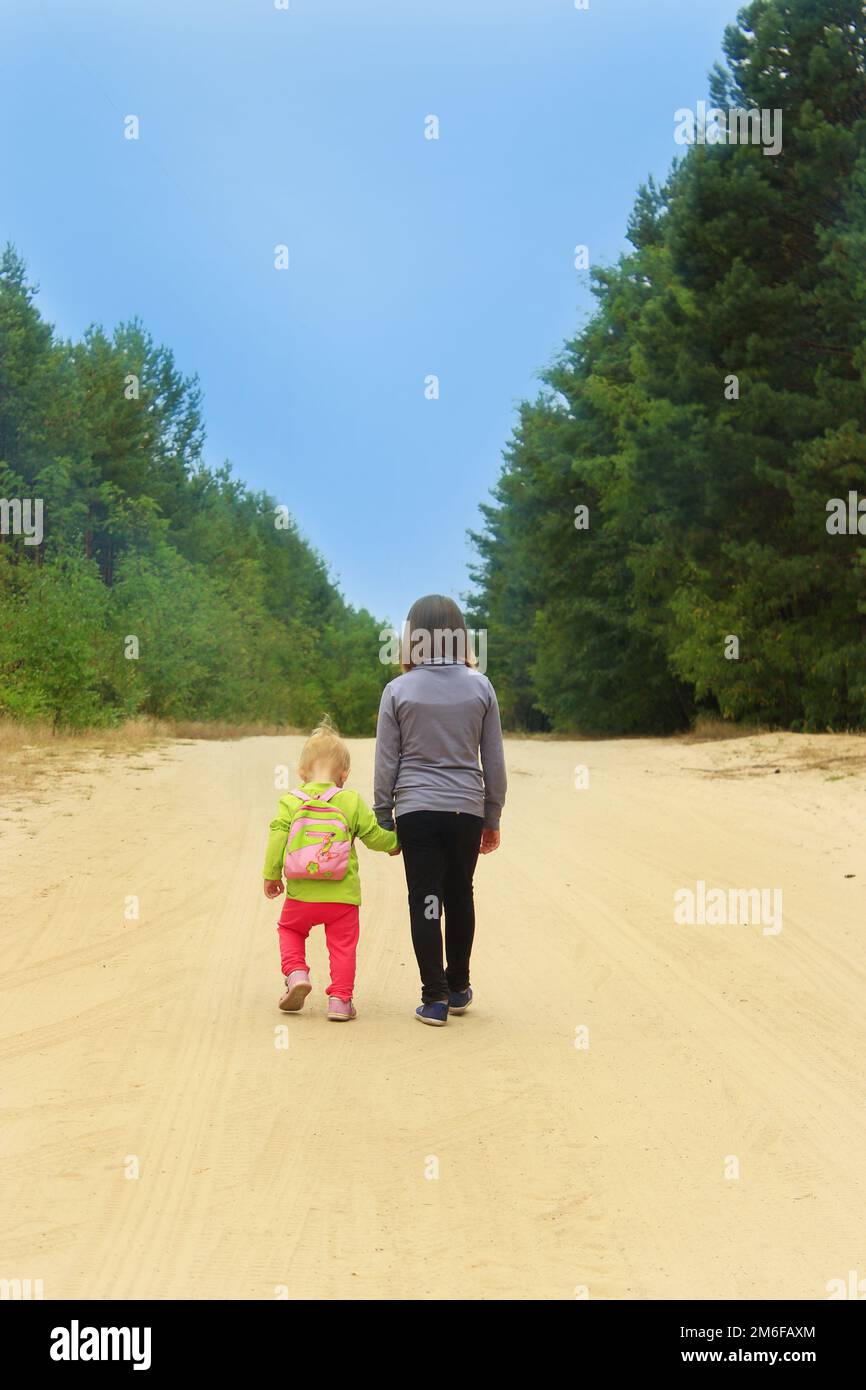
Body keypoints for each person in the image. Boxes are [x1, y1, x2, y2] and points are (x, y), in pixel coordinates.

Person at [374, 595, 506, 1026]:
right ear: (458, 634)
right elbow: (494, 761)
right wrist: (492, 815)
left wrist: (383, 815)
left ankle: (433, 998)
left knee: (426, 898)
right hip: (465, 809)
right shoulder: (480, 687)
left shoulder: (397, 691)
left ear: (412, 636)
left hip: (416, 809)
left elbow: (386, 761)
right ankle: (459, 987)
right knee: (459, 893)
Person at [263, 718, 399, 1021]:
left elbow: (277, 840)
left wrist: (271, 875)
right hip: (342, 896)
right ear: (344, 774)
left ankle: (297, 972)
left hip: (301, 894)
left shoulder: (290, 802)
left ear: (301, 772)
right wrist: (395, 842)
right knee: (343, 947)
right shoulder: (349, 800)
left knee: (289, 929)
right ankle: (340, 1001)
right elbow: (373, 835)